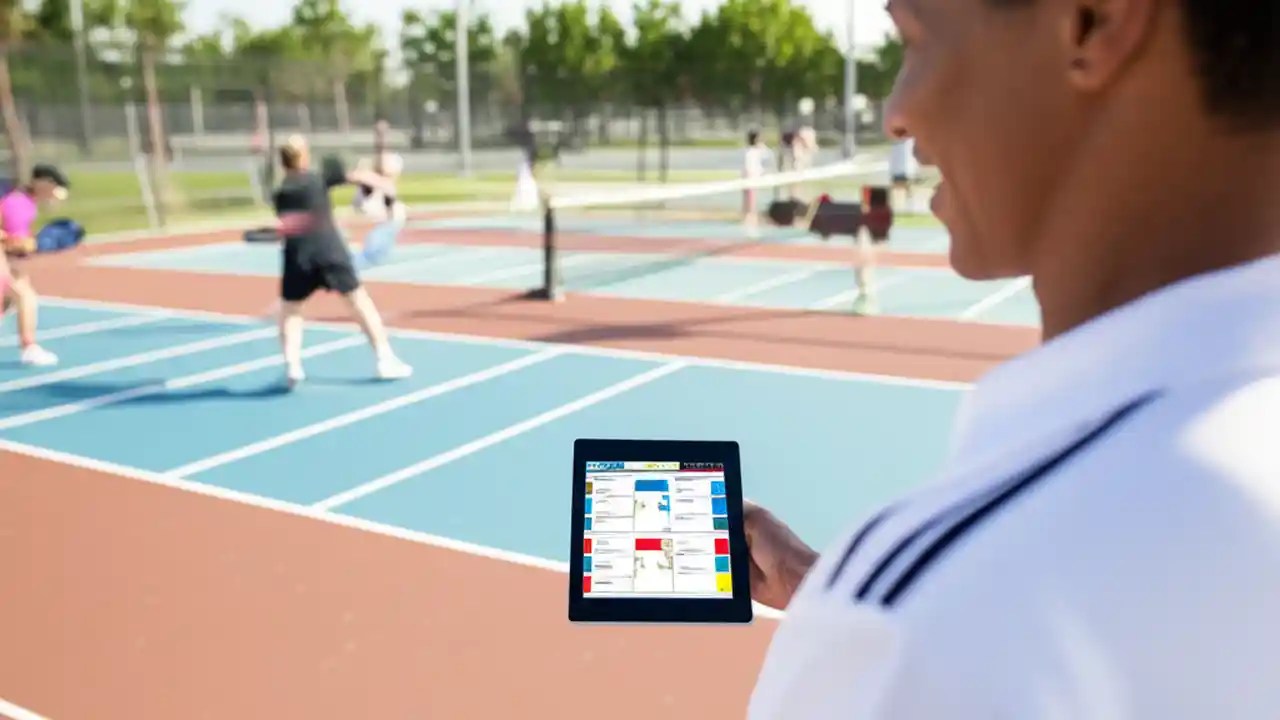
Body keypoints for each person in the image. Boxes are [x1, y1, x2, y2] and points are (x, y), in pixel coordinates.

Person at [746, 0, 1280, 717]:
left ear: (1093, 21)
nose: (896, 116)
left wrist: (871, 616)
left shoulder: (912, 634)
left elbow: (964, 637)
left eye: (914, 40)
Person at [272, 135, 412, 389]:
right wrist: (385, 183)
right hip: (329, 251)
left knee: (291, 311)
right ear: (304, 156)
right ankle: (384, 359)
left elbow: (287, 227)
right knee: (360, 303)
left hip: (297, 255)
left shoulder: (280, 193)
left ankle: (292, 366)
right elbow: (359, 176)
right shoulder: (318, 178)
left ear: (282, 161)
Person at [0, 163, 71, 367]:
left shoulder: (27, 202)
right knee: (25, 295)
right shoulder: (18, 203)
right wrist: (27, 244)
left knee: (10, 300)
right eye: (55, 186)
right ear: (43, 184)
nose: (58, 192)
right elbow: (14, 241)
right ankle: (29, 347)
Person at [742, 129, 773, 232]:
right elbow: (748, 167)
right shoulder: (750, 152)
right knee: (750, 204)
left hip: (752, 180)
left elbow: (768, 155)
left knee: (750, 203)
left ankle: (750, 222)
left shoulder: (756, 151)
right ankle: (749, 224)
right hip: (750, 180)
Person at [887, 136, 918, 212]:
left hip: (902, 171)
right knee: (898, 188)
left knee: (906, 188)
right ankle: (894, 205)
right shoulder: (898, 147)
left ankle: (908, 204)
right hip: (899, 171)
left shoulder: (905, 145)